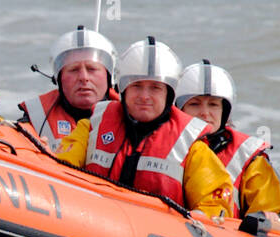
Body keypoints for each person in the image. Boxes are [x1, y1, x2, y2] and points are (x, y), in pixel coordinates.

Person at [57, 37, 233, 218]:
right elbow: (60, 171)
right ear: (123, 90)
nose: (145, 96)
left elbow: (214, 205)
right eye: (137, 86)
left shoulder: (192, 148)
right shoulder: (92, 127)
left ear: (168, 94)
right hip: (92, 224)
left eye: (155, 88)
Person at [176, 61, 280, 224]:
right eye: (195, 104)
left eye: (213, 104)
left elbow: (279, 216)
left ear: (224, 111)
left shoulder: (249, 159)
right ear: (179, 109)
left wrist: (270, 219)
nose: (205, 113)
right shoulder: (164, 146)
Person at [18, 26, 117, 151]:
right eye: (74, 70)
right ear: (59, 79)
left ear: (109, 77)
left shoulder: (132, 118)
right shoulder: (34, 119)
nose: (83, 77)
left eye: (92, 69)